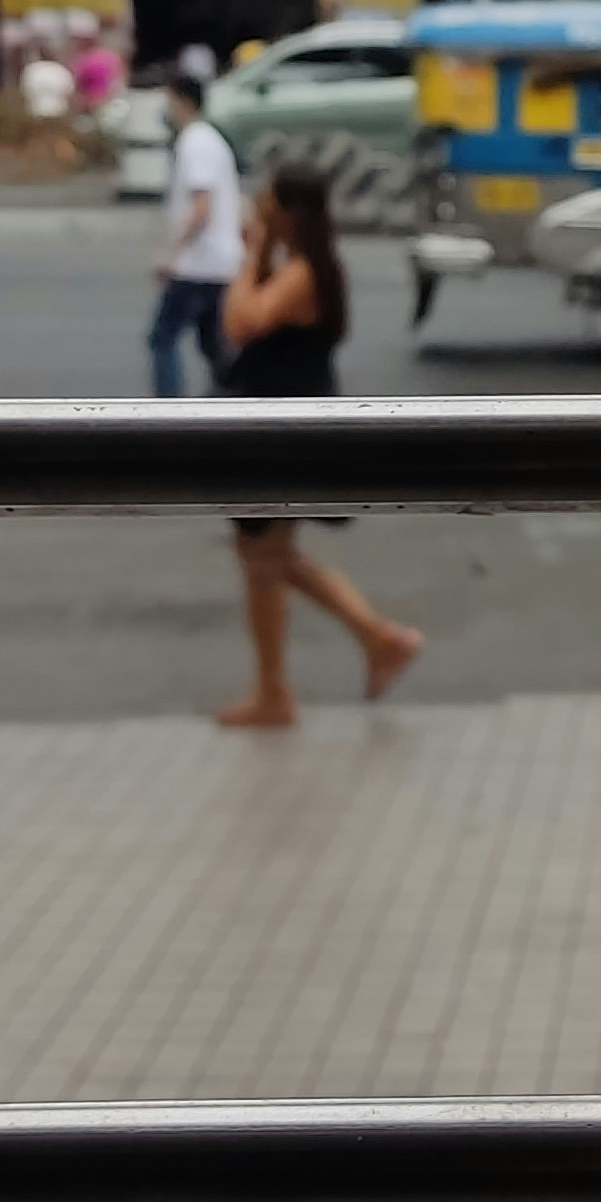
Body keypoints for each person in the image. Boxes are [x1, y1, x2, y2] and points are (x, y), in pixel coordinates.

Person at [214, 159, 422, 729]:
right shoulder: (308, 267)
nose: (257, 208)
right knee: (268, 558)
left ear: (285, 212)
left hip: (285, 437)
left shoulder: (303, 273)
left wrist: (251, 254)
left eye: (266, 201)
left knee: (263, 561)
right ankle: (370, 643)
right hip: (276, 430)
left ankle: (284, 688)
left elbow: (241, 321)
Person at [149, 74, 243, 396]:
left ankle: (169, 412)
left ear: (182, 100)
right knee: (213, 342)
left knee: (162, 337)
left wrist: (172, 254)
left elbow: (201, 206)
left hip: (199, 264)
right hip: (219, 261)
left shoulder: (196, 142)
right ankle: (234, 398)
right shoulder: (209, 139)